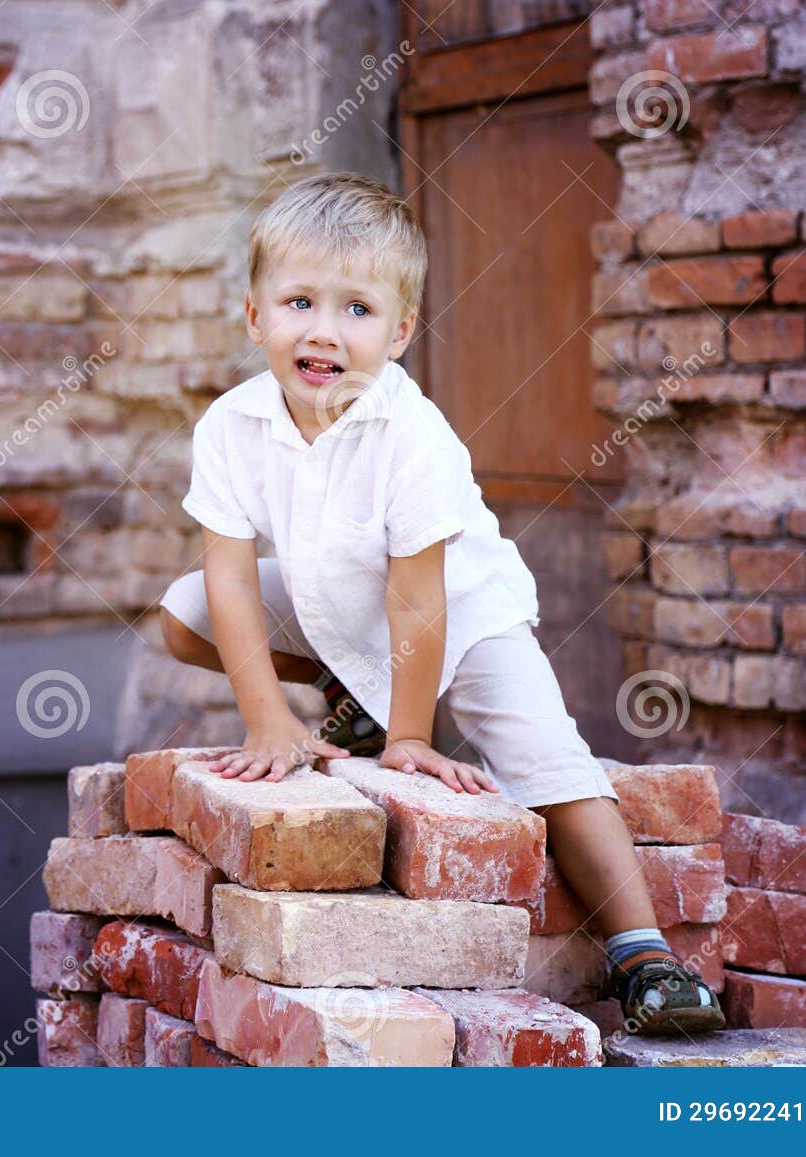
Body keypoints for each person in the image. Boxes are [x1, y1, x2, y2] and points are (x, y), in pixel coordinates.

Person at [156, 172, 724, 1037]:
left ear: (400, 330)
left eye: (357, 309)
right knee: (184, 608)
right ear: (254, 316)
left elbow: (418, 597)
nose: (324, 331)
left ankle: (644, 956)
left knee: (547, 760)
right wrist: (268, 718)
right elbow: (233, 579)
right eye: (299, 300)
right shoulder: (229, 427)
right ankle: (348, 694)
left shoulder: (411, 434)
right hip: (333, 606)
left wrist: (410, 738)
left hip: (461, 610)